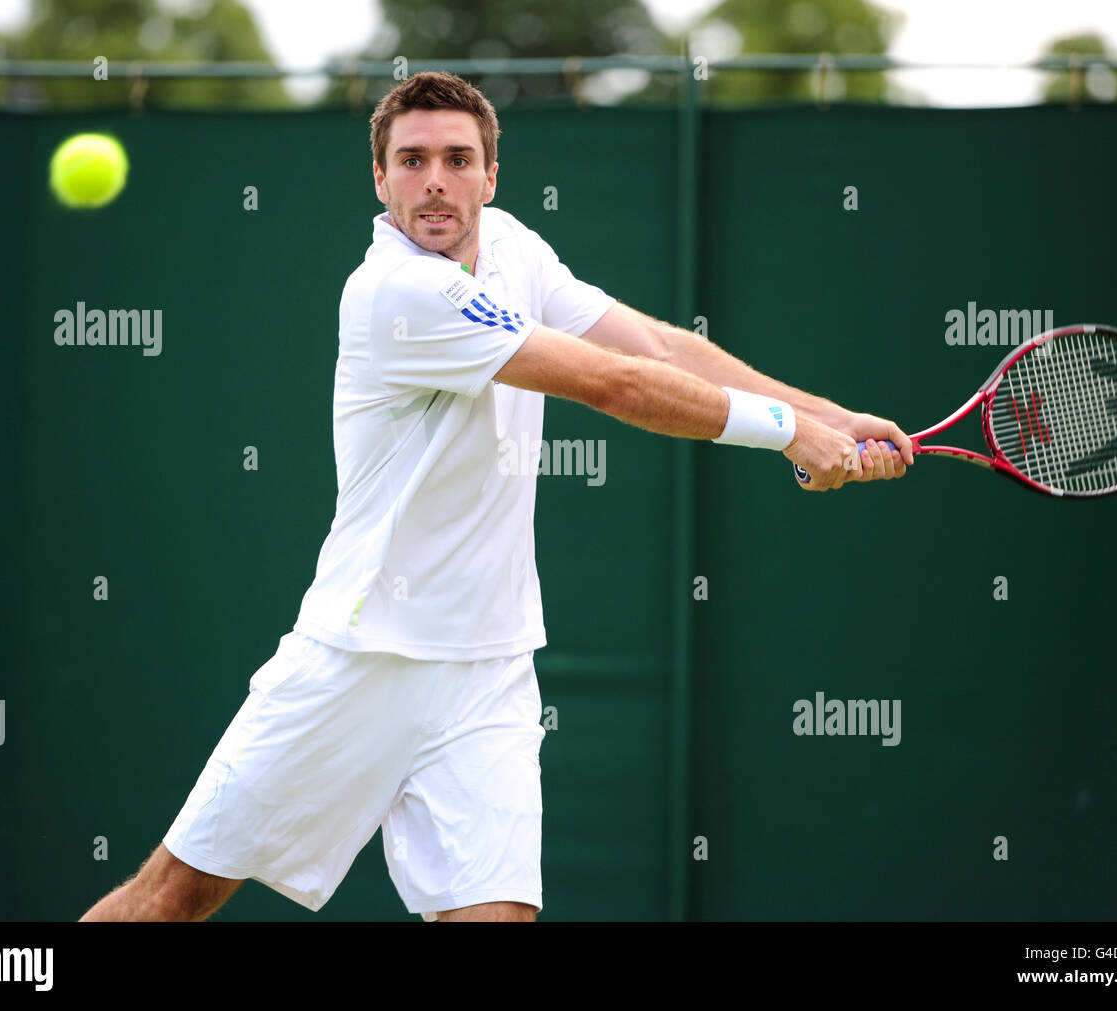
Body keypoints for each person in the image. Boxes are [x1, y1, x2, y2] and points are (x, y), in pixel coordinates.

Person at [80, 70, 912, 924]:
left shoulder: (514, 247)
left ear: (489, 177)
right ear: (380, 179)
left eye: (455, 158)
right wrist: (785, 432)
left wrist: (826, 415)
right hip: (359, 658)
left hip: (488, 666)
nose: (434, 179)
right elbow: (615, 384)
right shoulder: (394, 295)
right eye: (411, 160)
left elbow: (658, 344)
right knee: (176, 898)